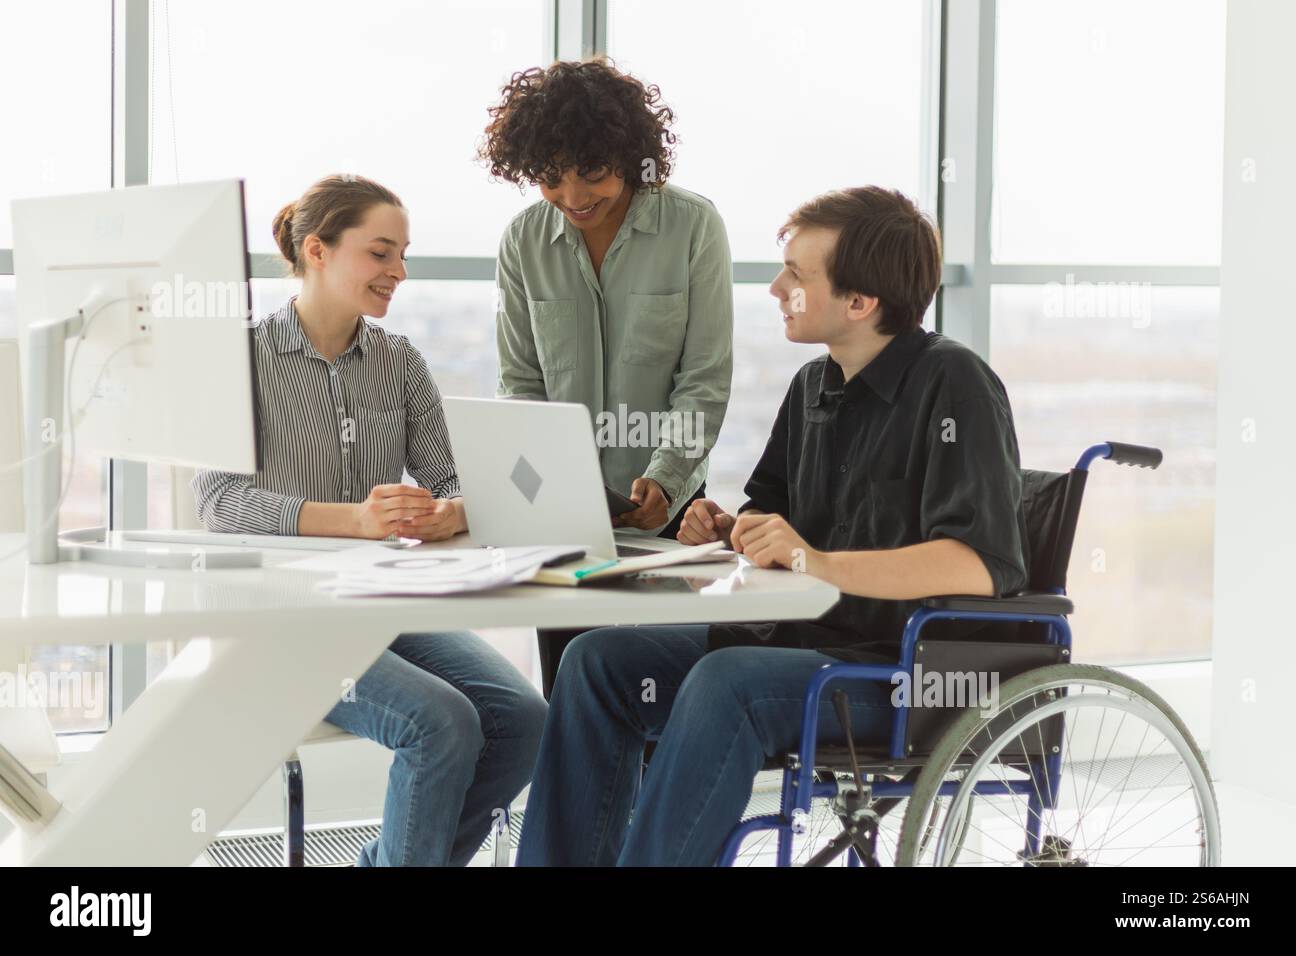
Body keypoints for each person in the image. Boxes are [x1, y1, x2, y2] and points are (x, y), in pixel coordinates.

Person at [516, 186, 1029, 866]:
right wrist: (731, 526)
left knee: (725, 682)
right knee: (597, 661)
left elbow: (975, 567)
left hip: (901, 671)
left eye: (796, 273)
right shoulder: (814, 386)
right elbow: (773, 516)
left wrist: (813, 560)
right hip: (797, 644)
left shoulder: (954, 385)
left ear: (860, 301)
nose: (774, 286)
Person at [192, 174, 546, 866]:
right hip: (282, 621)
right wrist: (354, 520)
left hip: (385, 605)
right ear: (318, 251)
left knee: (523, 719)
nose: (399, 272)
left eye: (403, 254)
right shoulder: (239, 360)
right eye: (381, 253)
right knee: (441, 724)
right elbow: (220, 504)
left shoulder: (399, 361)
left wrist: (452, 512)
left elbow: (451, 478)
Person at [478, 57, 735, 696]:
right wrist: (540, 491)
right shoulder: (522, 242)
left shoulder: (693, 228)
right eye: (549, 179)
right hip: (561, 520)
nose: (573, 197)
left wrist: (667, 477)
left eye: (591, 174)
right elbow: (521, 386)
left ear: (628, 153)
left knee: (655, 698)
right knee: (570, 694)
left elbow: (703, 377)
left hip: (667, 515)